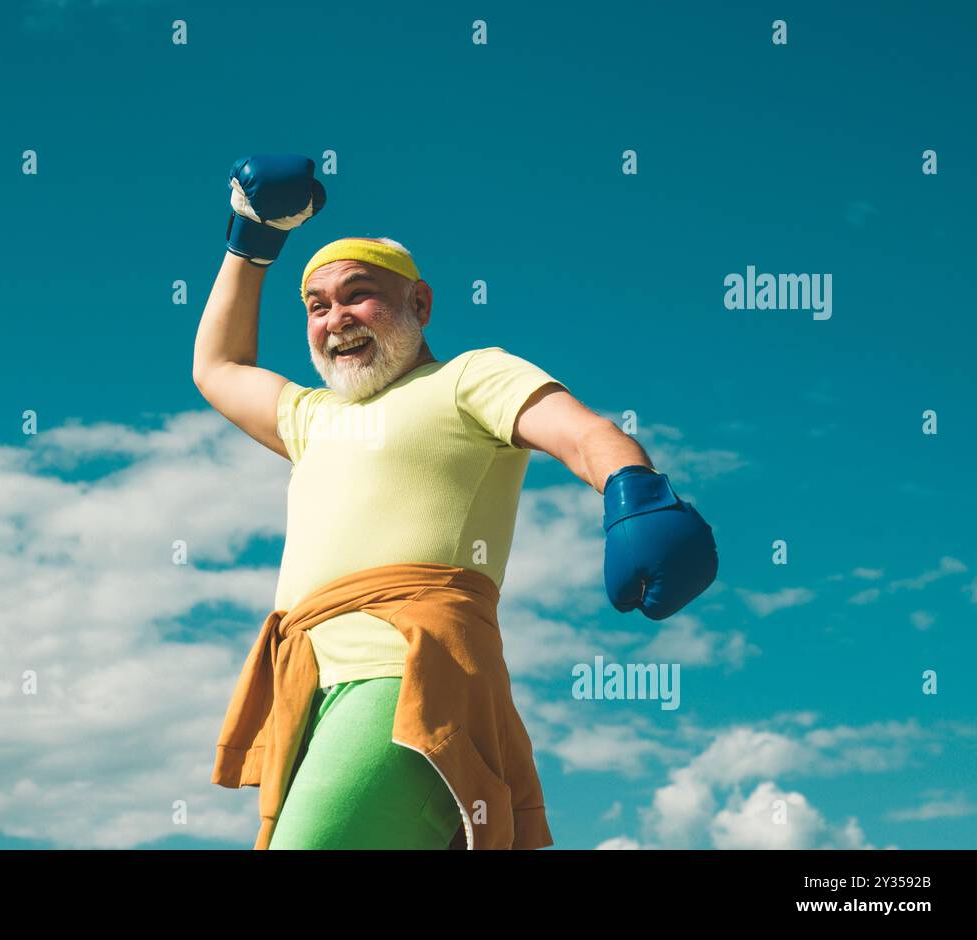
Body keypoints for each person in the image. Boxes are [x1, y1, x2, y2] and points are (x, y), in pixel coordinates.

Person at [194, 155, 718, 849]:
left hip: (408, 675)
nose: (336, 319)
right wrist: (252, 238)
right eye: (317, 308)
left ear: (420, 303)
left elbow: (586, 433)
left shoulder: (469, 378)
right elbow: (219, 368)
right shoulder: (312, 418)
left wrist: (637, 493)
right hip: (310, 696)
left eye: (357, 295)